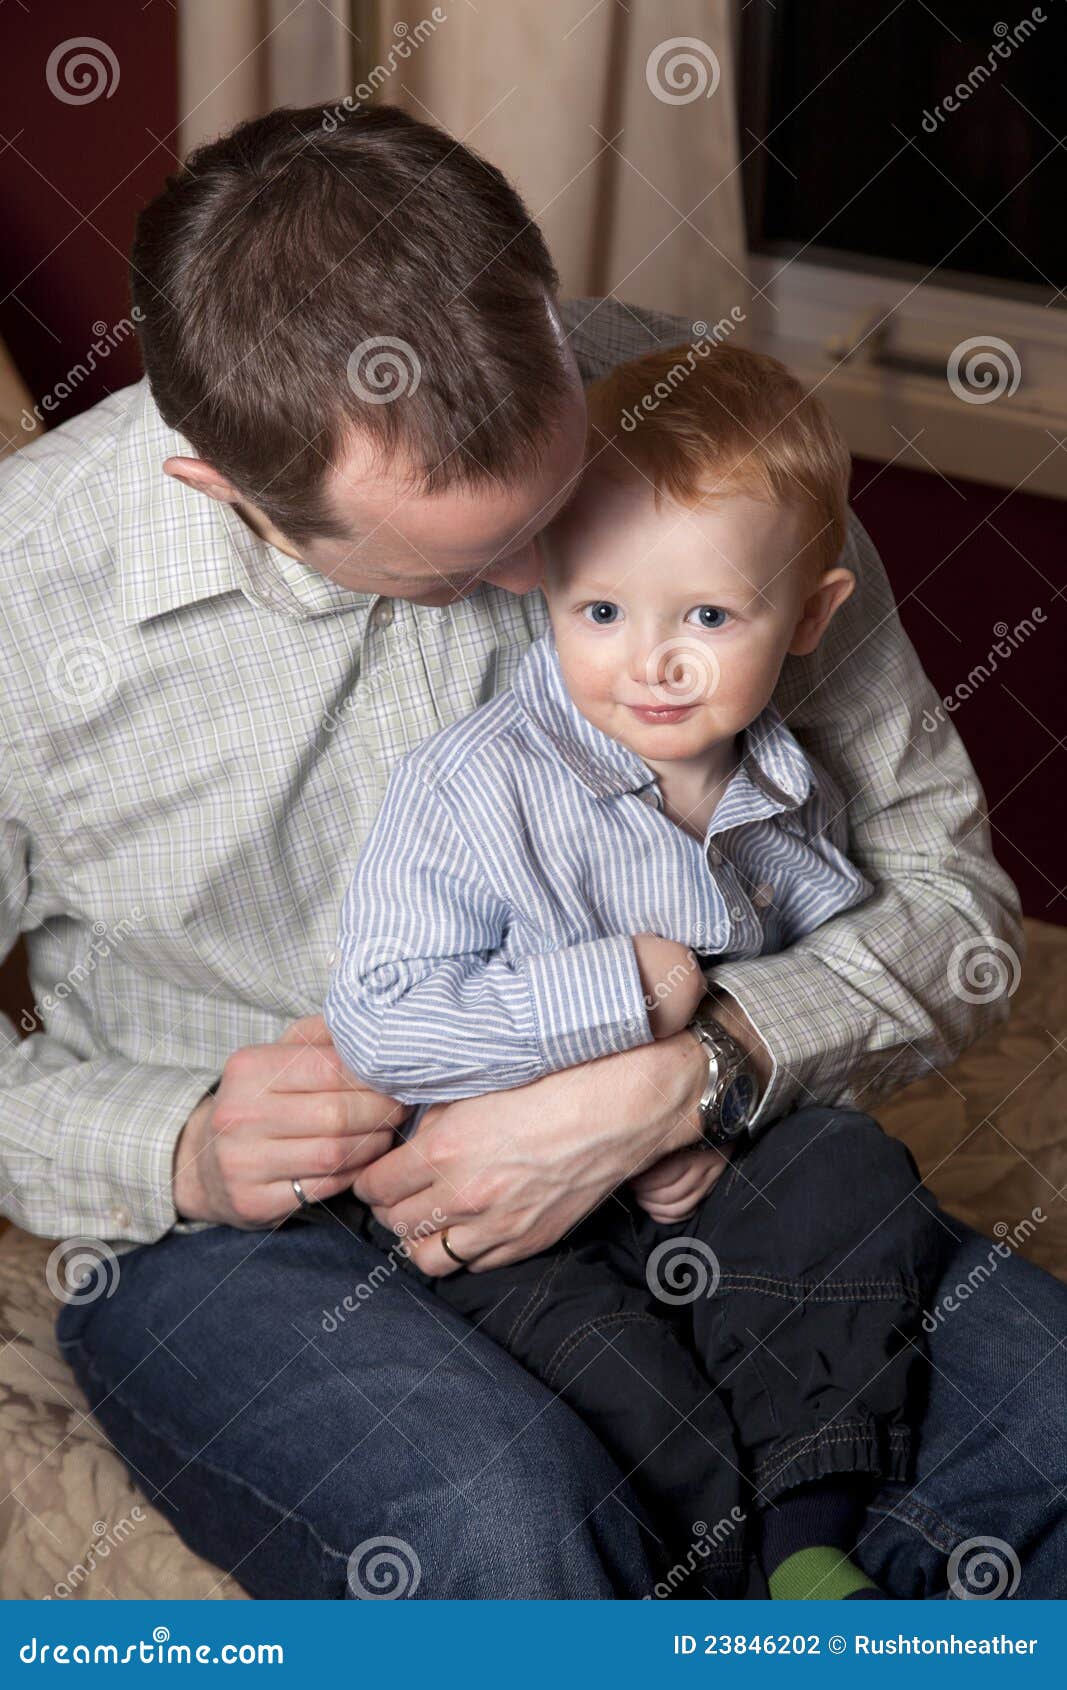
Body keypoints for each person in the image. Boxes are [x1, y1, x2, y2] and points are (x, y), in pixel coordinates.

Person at [0, 102, 1059, 1599]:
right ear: (224, 491)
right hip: (266, 1236)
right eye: (457, 573)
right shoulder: (24, 593)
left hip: (693, 1151)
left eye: (562, 506)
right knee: (513, 1528)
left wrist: (697, 1067)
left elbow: (952, 907)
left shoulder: (705, 432)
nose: (538, 583)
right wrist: (170, 1143)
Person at [323, 345, 950, 1600]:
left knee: (855, 1176)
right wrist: (627, 995)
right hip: (510, 1216)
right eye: (600, 612)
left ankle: (807, 1539)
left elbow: (846, 967)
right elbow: (383, 1023)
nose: (650, 661)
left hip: (701, 1173)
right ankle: (716, 1571)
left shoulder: (782, 784)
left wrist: (707, 1092)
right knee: (633, 1401)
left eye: (707, 617)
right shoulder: (472, 789)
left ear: (810, 617)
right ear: (542, 588)